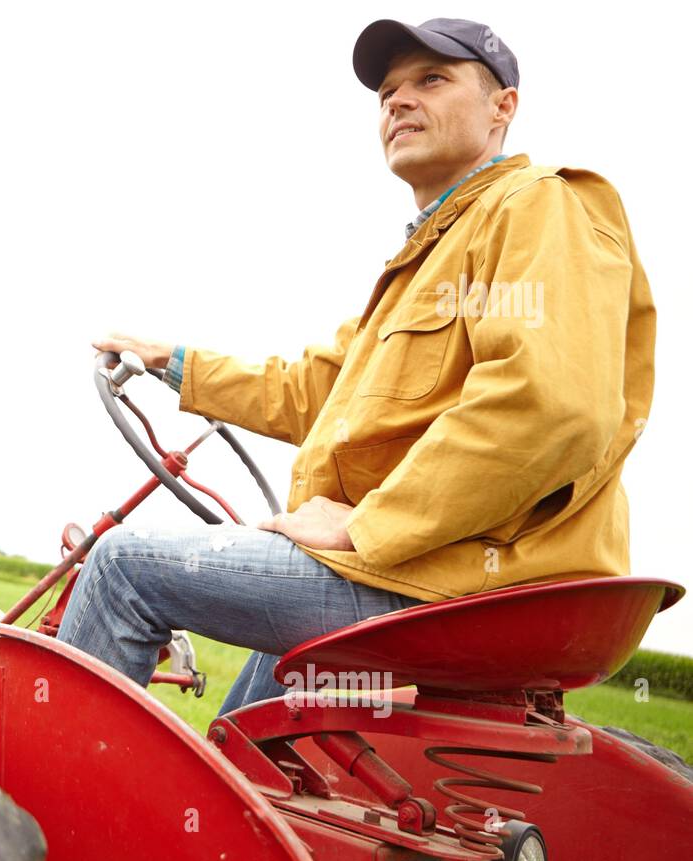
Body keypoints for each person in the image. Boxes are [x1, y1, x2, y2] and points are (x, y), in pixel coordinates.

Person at [54, 17, 657, 713]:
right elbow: (317, 391)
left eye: (431, 79)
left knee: (123, 566)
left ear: (504, 107)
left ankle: (60, 810)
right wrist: (178, 366)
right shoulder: (427, 258)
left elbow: (550, 404)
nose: (398, 100)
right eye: (388, 92)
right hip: (420, 573)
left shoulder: (539, 206)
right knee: (244, 738)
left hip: (456, 581)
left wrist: (365, 526)